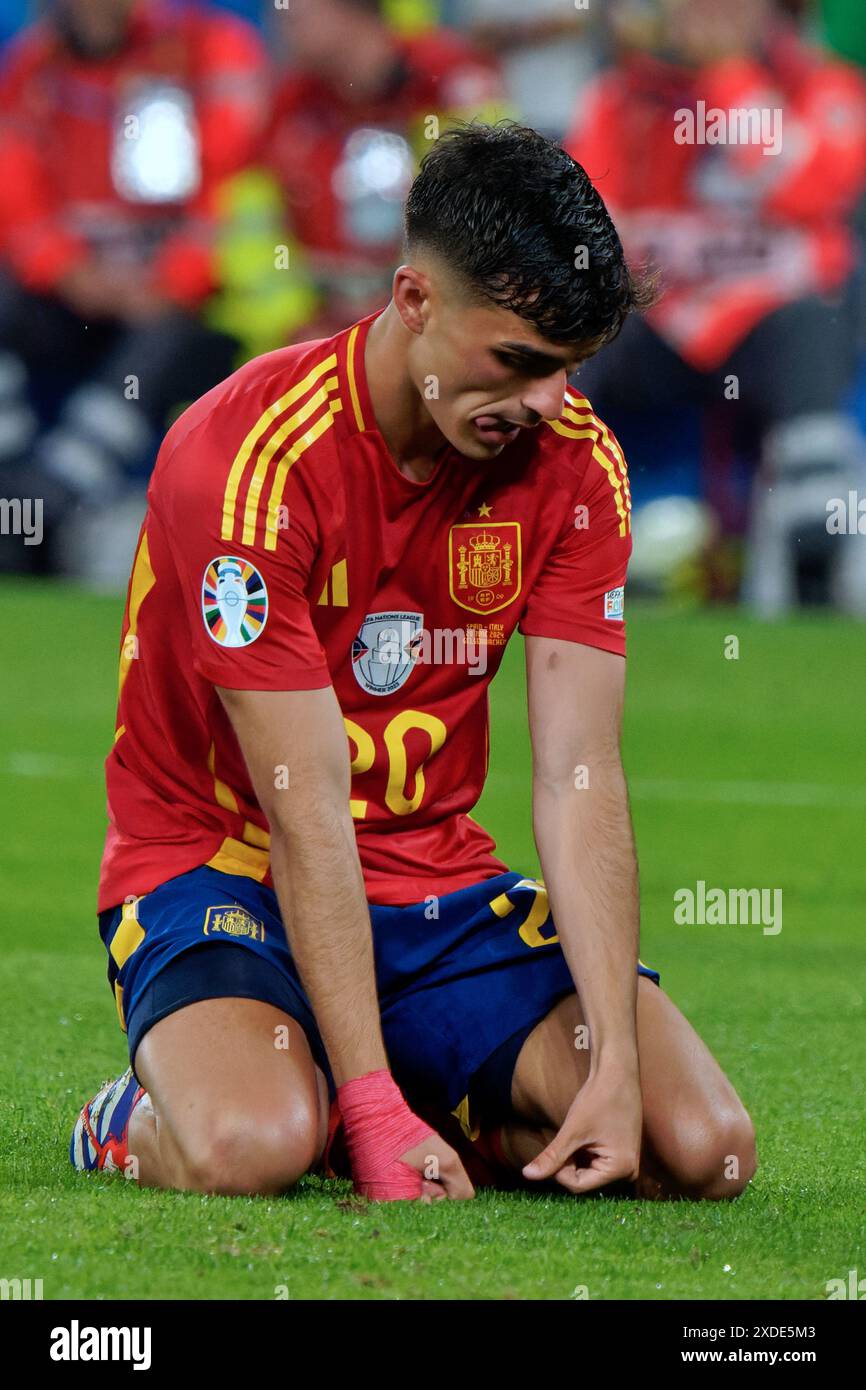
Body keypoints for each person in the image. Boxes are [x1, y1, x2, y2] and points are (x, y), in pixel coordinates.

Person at [71, 123, 757, 1203]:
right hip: (223, 867)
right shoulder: (249, 458)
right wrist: (370, 1105)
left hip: (430, 881)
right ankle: (133, 1117)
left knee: (696, 1146)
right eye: (517, 365)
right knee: (255, 1145)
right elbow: (302, 811)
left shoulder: (574, 465)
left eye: (568, 369)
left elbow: (579, 775)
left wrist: (615, 1065)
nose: (544, 404)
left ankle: (428, 1085)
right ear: (412, 300)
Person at [566, 0, 866, 614]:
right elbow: (586, 227)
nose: (708, 13)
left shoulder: (827, 86)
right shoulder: (620, 96)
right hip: (659, 319)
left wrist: (727, 80)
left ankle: (815, 564)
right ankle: (527, 535)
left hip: (773, 322)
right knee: (568, 328)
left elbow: (808, 188)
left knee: (813, 322)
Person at [0, 0, 268, 578]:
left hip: (186, 301)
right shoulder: (34, 63)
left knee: (170, 336)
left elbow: (235, 186)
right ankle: (12, 483)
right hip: (77, 293)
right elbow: (14, 188)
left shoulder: (208, 47)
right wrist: (69, 270)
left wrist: (173, 279)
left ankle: (47, 501)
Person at [264, 0, 506, 340]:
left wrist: (401, 313)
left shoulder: (447, 81)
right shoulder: (292, 101)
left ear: (354, 11)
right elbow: (255, 227)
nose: (280, 18)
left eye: (298, 11)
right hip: (315, 328)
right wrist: (293, 322)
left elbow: (489, 210)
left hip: (432, 326)